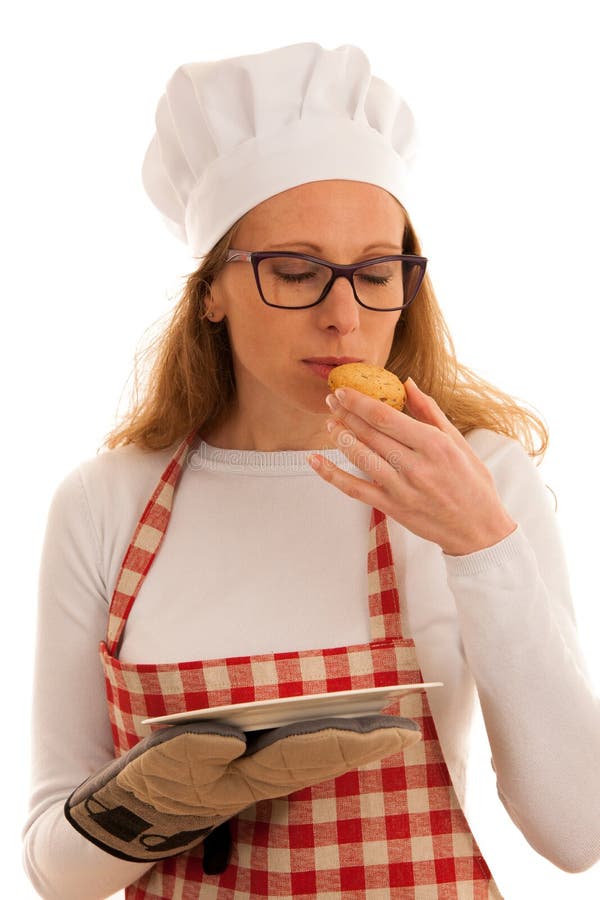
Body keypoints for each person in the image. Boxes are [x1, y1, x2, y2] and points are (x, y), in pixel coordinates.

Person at [22, 42, 600, 900]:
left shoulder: (476, 477)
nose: (343, 318)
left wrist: (481, 544)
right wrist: (145, 807)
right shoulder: (106, 502)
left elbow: (576, 832)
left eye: (376, 272)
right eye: (295, 271)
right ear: (211, 288)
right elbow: (51, 869)